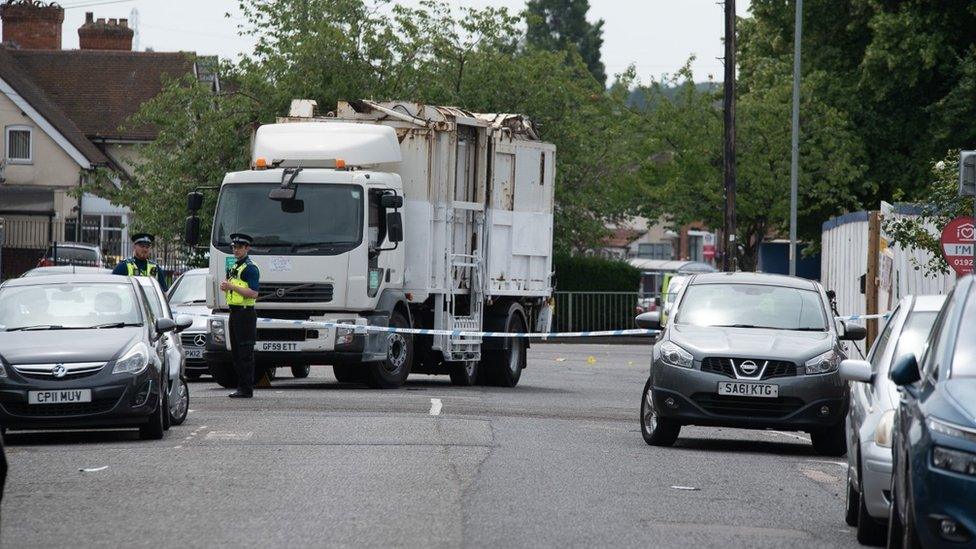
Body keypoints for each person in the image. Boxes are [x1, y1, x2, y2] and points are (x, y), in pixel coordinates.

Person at [219, 233, 260, 398]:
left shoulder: (250, 267)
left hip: (245, 313)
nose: (236, 250)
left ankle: (246, 388)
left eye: (239, 247)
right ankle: (241, 386)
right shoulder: (236, 266)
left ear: (247, 248)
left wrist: (232, 287)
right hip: (235, 312)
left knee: (245, 353)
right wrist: (227, 287)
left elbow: (253, 293)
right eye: (234, 247)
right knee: (236, 352)